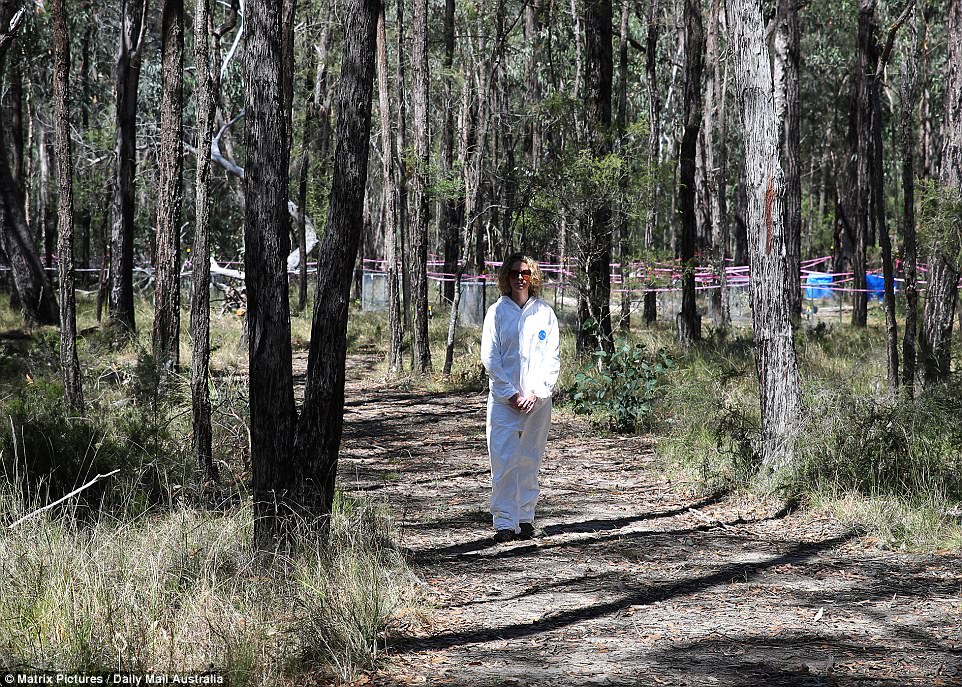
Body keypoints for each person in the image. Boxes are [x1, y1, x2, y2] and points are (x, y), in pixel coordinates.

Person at [480, 253, 561, 544]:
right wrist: (511, 394)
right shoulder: (497, 312)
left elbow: (552, 358)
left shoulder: (544, 313)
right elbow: (490, 358)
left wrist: (537, 393)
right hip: (504, 402)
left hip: (537, 403)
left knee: (529, 460)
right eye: (514, 272)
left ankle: (525, 518)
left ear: (533, 277)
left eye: (525, 273)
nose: (519, 278)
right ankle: (504, 522)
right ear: (506, 276)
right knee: (503, 461)